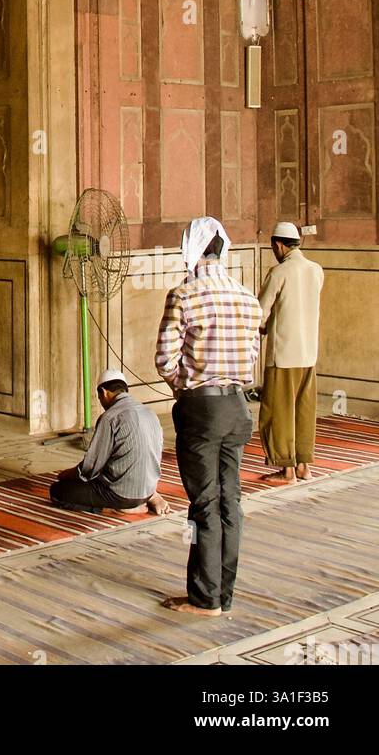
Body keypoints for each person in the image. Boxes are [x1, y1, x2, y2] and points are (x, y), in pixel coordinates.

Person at [155, 217, 261, 618]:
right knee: (230, 501)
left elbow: (165, 358)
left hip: (202, 408)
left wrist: (183, 388)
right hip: (238, 409)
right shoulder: (247, 297)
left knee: (205, 505)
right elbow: (250, 360)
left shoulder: (184, 295)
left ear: (192, 250)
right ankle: (223, 595)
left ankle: (205, 598)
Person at [50, 368, 171, 516]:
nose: (101, 401)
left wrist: (67, 474)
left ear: (103, 392)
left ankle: (115, 508)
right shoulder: (150, 412)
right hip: (148, 489)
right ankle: (151, 497)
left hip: (120, 495)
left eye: (99, 397)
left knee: (58, 491)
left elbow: (90, 468)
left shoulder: (110, 418)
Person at [258, 220, 323, 484]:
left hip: (283, 355)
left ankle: (286, 470)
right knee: (304, 409)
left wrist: (263, 327)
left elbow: (259, 313)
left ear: (278, 244)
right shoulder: (316, 270)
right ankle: (304, 466)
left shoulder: (279, 272)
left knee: (278, 411)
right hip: (308, 353)